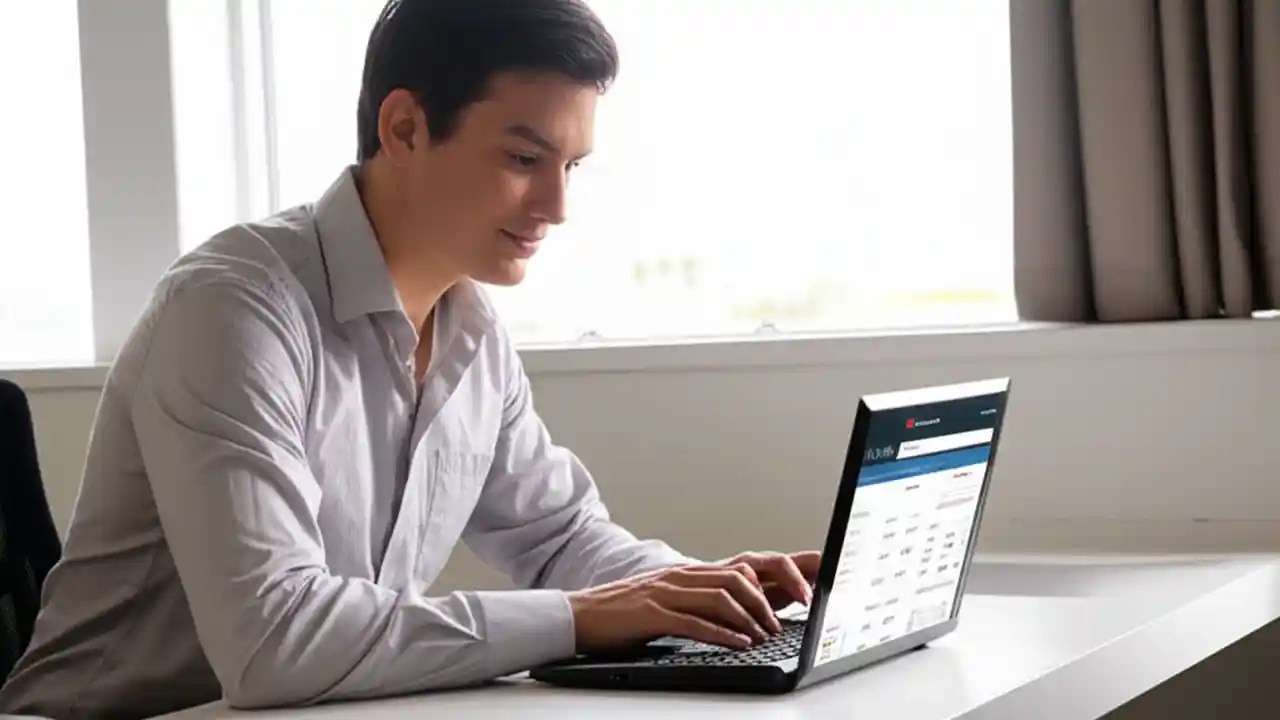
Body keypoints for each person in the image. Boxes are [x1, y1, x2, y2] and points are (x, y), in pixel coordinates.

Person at [0, 1, 819, 717]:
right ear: (405, 128)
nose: (558, 207)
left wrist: (706, 592)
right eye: (525, 160)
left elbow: (562, 536)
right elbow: (277, 642)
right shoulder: (233, 308)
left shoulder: (470, 328)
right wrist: (581, 617)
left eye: (570, 167)